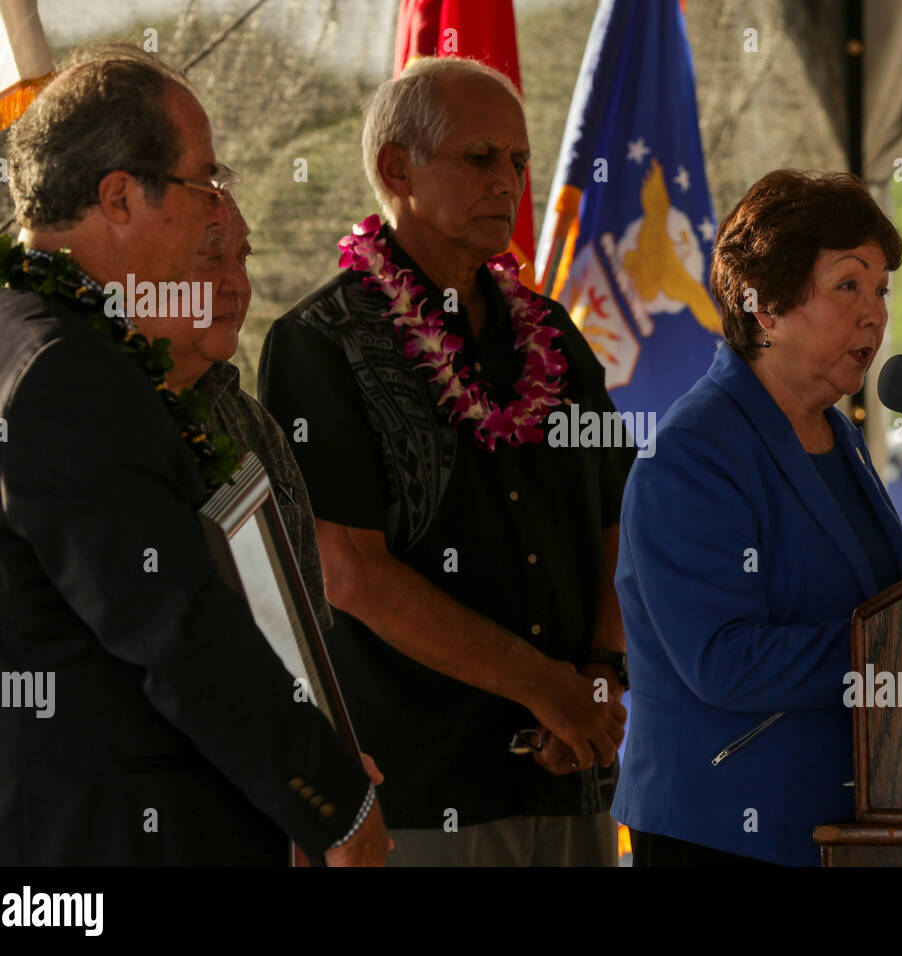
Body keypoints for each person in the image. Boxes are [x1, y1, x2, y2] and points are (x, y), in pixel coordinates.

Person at [0, 43, 386, 866]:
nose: (221, 205)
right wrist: (335, 802)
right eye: (204, 179)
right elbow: (178, 637)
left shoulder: (10, 334)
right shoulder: (63, 374)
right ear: (120, 196)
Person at [260, 56, 632, 866]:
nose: (509, 183)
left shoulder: (553, 333)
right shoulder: (321, 344)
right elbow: (349, 570)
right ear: (396, 168)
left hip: (574, 779)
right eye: (480, 158)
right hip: (424, 797)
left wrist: (599, 678)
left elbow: (618, 518)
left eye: (520, 162)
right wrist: (546, 686)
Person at [611, 169, 902, 867]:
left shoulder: (836, 436)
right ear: (767, 306)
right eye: (848, 285)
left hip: (832, 826)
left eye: (881, 290)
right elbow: (723, 660)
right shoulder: (693, 453)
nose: (875, 313)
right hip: (722, 832)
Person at [139, 186, 334, 633]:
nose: (239, 285)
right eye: (211, 259)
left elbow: (306, 632)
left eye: (243, 258)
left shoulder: (250, 422)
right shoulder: (86, 415)